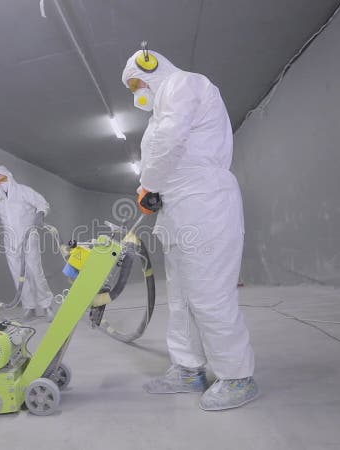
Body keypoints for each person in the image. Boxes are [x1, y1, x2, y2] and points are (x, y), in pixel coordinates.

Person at [122, 45, 259, 410]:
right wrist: (150, 188)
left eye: (137, 83)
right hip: (177, 208)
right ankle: (188, 369)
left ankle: (237, 376)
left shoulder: (184, 84)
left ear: (150, 67)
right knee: (181, 297)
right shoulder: (159, 110)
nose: (137, 92)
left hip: (205, 203)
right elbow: (159, 153)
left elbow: (171, 138)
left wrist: (148, 185)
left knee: (211, 295)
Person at [0, 166, 55, 321]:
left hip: (28, 237)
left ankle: (46, 305)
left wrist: (40, 213)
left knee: (35, 272)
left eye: (3, 179)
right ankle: (29, 307)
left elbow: (42, 203)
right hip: (11, 242)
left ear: (9, 176)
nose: (1, 183)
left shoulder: (23, 191)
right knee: (18, 276)